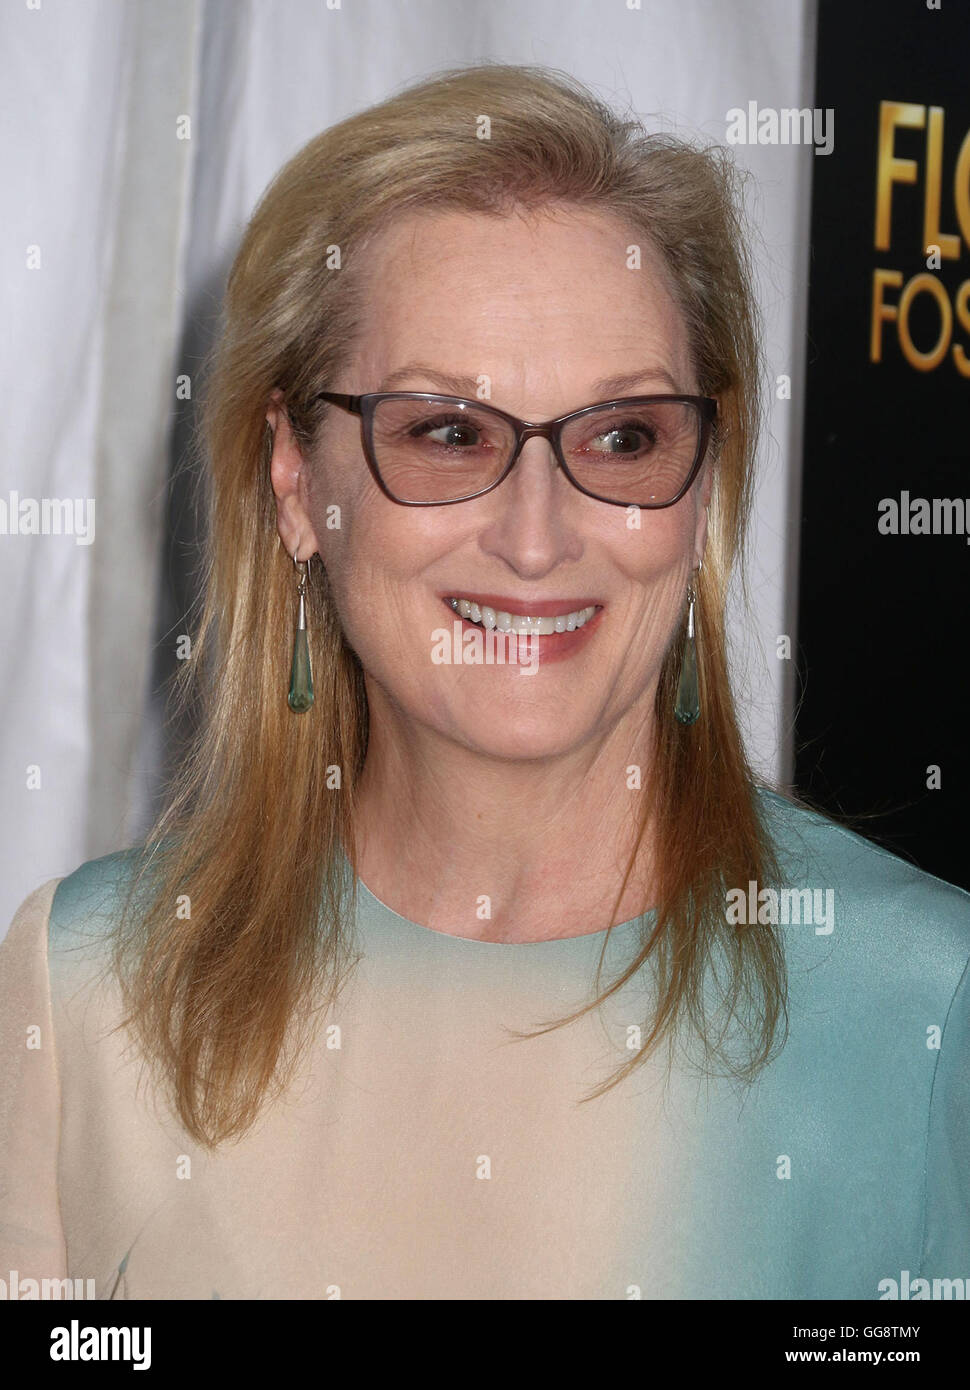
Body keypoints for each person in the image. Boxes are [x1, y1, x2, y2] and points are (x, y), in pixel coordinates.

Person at [1, 62, 968, 1302]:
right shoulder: (88, 991)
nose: (535, 534)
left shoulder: (920, 1006)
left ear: (704, 481)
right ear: (298, 485)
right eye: (447, 432)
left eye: (622, 438)